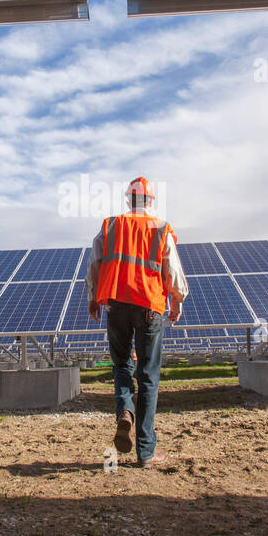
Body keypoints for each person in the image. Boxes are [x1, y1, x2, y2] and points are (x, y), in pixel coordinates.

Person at [86, 176, 188, 467]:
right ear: (151, 201)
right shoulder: (160, 228)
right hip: (149, 306)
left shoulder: (111, 226)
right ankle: (146, 451)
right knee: (148, 376)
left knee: (121, 365)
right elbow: (172, 268)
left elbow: (94, 263)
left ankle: (124, 411)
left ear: (128, 200)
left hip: (116, 303)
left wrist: (93, 298)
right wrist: (177, 300)